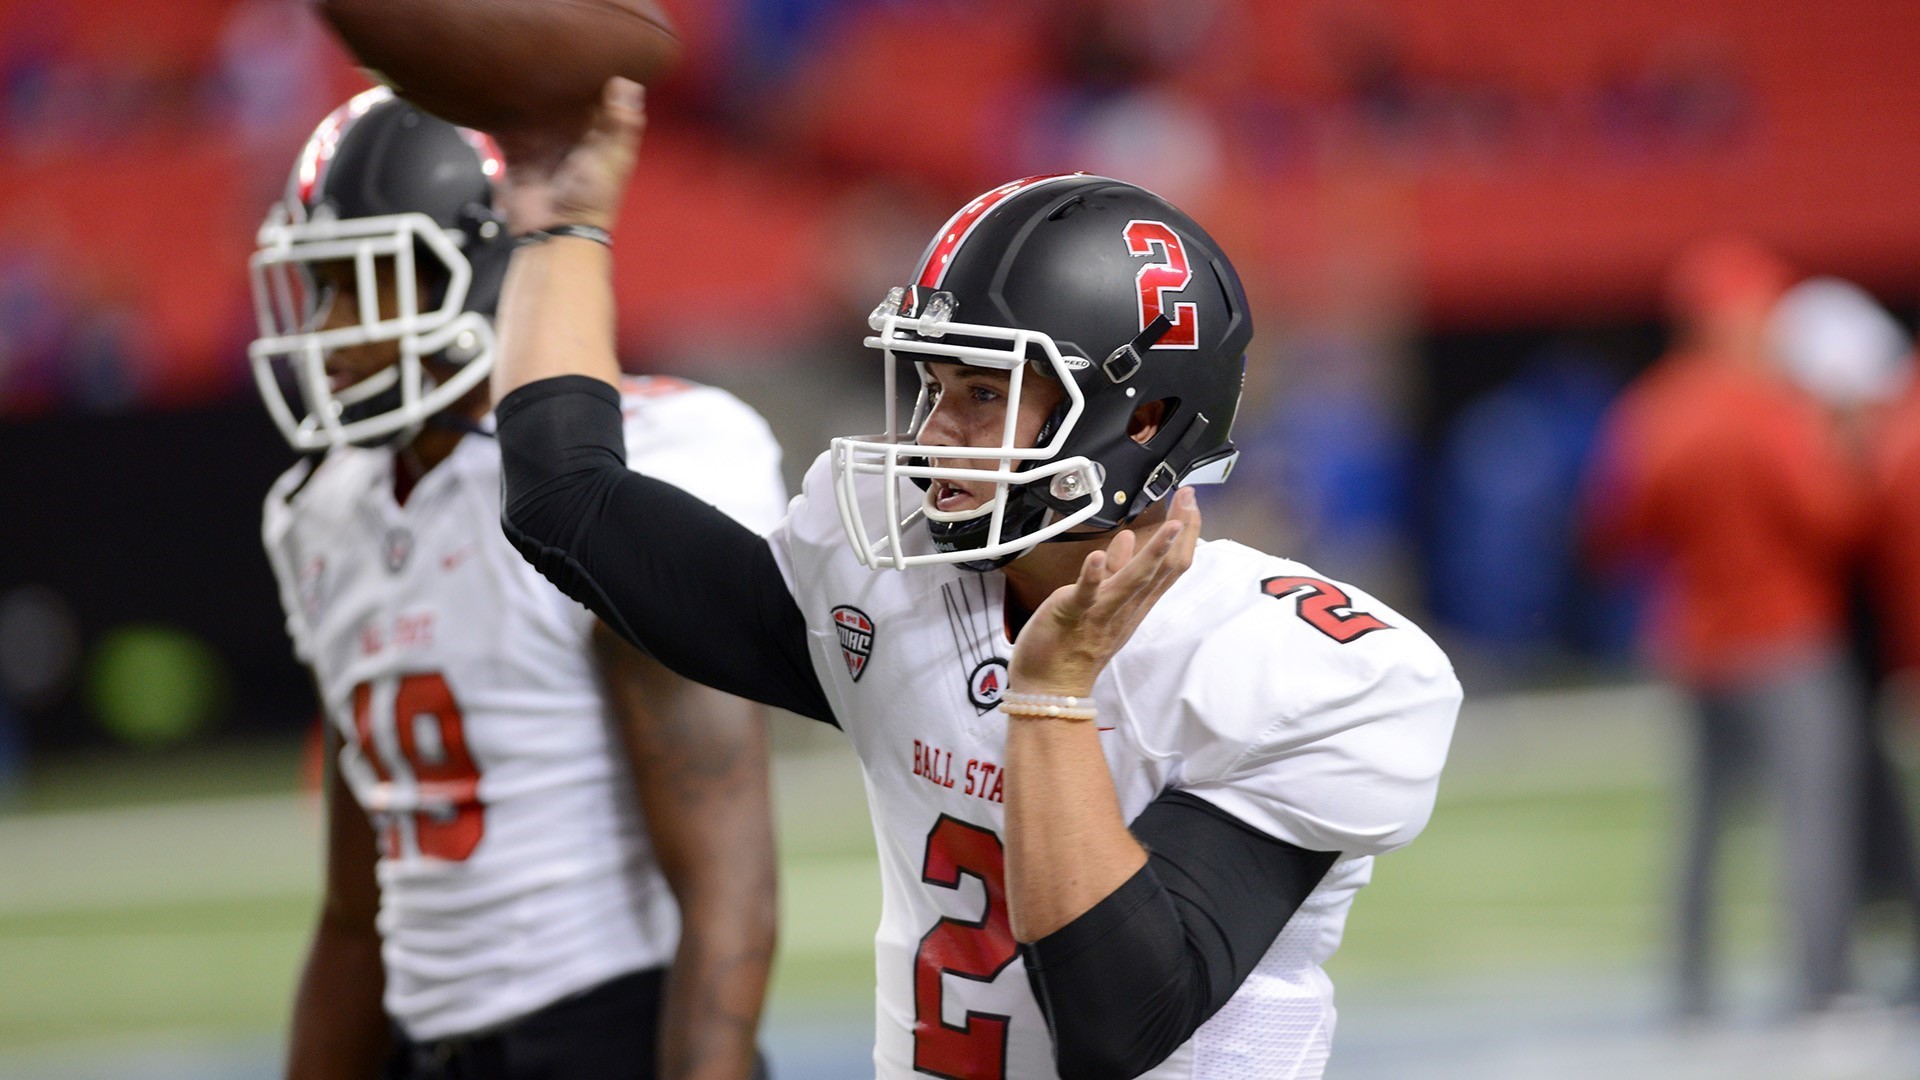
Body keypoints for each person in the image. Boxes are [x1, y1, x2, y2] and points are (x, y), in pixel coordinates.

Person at [489, 79, 1459, 1080]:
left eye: (985, 393)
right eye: (935, 385)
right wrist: (564, 225)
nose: (932, 438)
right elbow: (563, 502)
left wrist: (1051, 697)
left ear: (1141, 421)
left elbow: (1118, 1021)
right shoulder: (895, 591)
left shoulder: (1305, 671)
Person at [251, 88, 788, 1080]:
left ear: (475, 277)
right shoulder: (322, 512)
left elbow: (728, 891)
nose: (323, 329)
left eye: (353, 284)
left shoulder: (616, 477)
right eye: (316, 286)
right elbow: (355, 911)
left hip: (609, 1033)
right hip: (430, 1043)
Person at [1583, 237, 1867, 1017]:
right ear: (1735, 318)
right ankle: (1822, 982)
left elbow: (1616, 530)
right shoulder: (1771, 406)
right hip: (1786, 635)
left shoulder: (1653, 409)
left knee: (1703, 822)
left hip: (1694, 636)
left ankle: (1691, 985)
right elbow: (1832, 516)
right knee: (1810, 813)